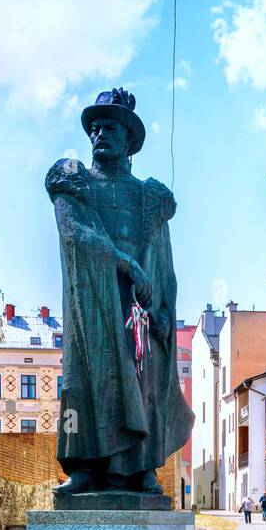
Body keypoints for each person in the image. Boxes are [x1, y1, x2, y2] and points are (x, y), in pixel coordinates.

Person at [49, 88, 194, 498]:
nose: (99, 134)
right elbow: (75, 233)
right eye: (94, 127)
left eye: (109, 127)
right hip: (92, 302)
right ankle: (84, 468)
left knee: (144, 379)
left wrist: (164, 307)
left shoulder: (148, 197)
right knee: (83, 383)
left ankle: (139, 467)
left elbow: (162, 261)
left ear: (129, 138)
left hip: (138, 309)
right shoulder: (74, 182)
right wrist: (124, 263)